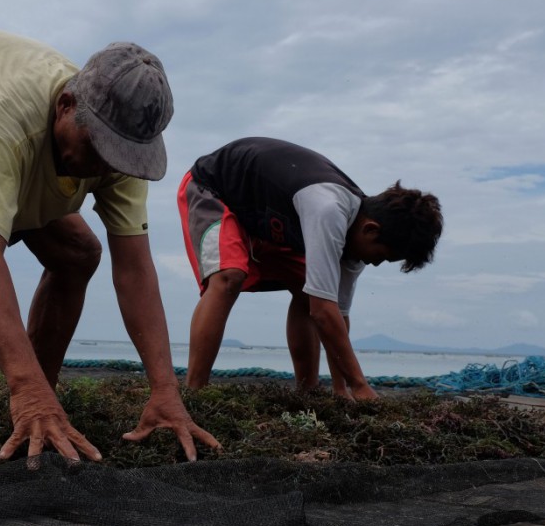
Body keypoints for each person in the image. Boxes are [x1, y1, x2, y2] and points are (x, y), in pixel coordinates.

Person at [0, 26, 221, 463]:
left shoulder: (121, 153)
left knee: (78, 253)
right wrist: (26, 388)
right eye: (98, 146)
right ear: (65, 105)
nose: (106, 165)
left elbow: (135, 268)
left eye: (121, 154)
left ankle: (41, 398)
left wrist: (165, 389)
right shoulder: (4, 120)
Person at [178, 137, 443, 399]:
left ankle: (308, 393)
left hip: (261, 216)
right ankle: (195, 393)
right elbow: (323, 312)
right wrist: (360, 385)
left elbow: (337, 314)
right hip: (213, 188)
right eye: (382, 256)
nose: (375, 263)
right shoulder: (329, 209)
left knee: (309, 291)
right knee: (229, 276)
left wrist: (341, 389)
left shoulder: (356, 237)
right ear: (370, 230)